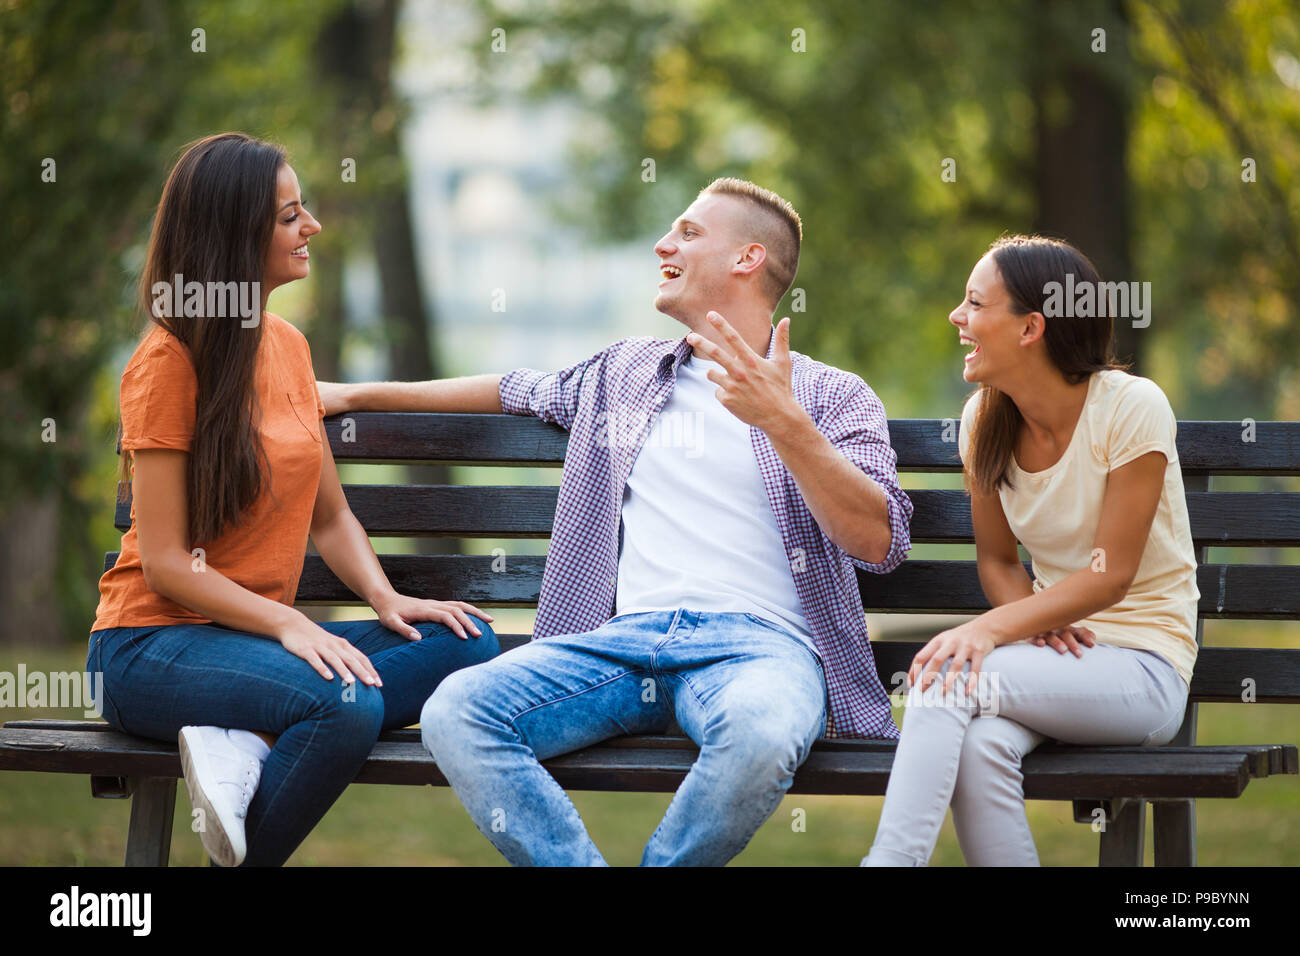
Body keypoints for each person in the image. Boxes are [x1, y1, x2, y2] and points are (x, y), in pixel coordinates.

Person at [319, 178, 914, 866]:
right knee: (459, 712)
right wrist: (357, 392)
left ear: (747, 259)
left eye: (689, 233)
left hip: (760, 652)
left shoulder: (831, 395)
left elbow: (878, 542)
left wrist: (786, 424)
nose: (664, 244)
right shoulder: (624, 372)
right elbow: (512, 388)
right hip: (622, 647)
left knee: (762, 735)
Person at [87, 132, 498, 867]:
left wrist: (382, 597)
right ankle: (247, 740)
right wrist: (287, 625)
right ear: (233, 234)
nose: (311, 227)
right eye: (288, 216)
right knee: (343, 704)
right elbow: (168, 566)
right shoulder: (166, 362)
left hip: (248, 647)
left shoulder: (288, 346)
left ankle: (244, 734)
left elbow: (332, 515)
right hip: (149, 646)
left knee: (467, 644)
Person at [861, 235, 1197, 867]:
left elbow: (1110, 575)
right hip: (1053, 666)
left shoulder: (1130, 408)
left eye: (974, 303)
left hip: (1145, 670)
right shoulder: (984, 421)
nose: (957, 318)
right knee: (981, 745)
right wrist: (1036, 627)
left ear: (1030, 327)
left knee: (939, 681)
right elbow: (999, 561)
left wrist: (991, 631)